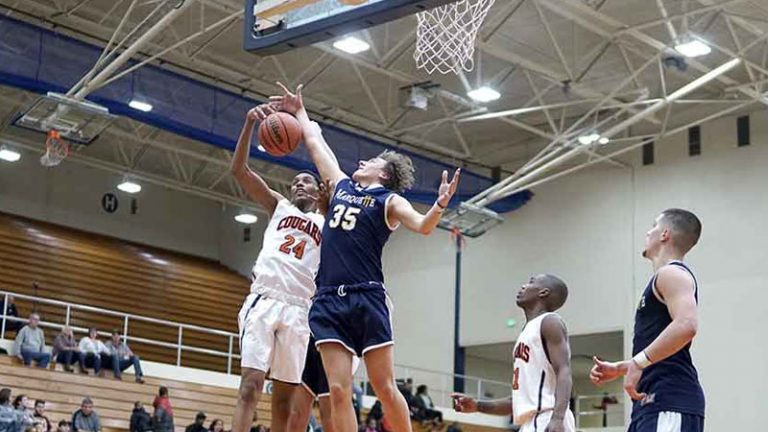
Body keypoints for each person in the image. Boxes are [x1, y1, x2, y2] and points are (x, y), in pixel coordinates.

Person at [273, 82, 461, 432]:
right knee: (339, 391)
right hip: (328, 299)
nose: (362, 161)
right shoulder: (341, 185)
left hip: (367, 296)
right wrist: (299, 112)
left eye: (371, 160)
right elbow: (316, 145)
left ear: (384, 174)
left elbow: (421, 226)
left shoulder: (388, 201)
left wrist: (439, 205)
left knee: (384, 387)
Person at [229, 103, 328, 432]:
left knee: (285, 402)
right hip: (266, 298)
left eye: (307, 181)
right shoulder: (279, 206)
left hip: (300, 310)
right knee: (250, 386)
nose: (299, 184)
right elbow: (239, 171)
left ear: (318, 191)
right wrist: (247, 125)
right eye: (295, 181)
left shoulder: (327, 221)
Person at [590, 209, 705, 432]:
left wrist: (638, 362)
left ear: (665, 234)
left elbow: (687, 325)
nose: (648, 232)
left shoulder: (672, 274)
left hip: (668, 398)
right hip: (651, 402)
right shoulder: (663, 278)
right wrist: (623, 367)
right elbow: (665, 349)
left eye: (653, 225)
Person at [452, 274, 576, 432]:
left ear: (543, 292)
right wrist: (477, 405)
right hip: (531, 422)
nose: (523, 286)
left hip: (548, 417)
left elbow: (564, 371)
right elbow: (518, 401)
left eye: (531, 282)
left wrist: (558, 418)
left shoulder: (550, 322)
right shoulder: (527, 331)